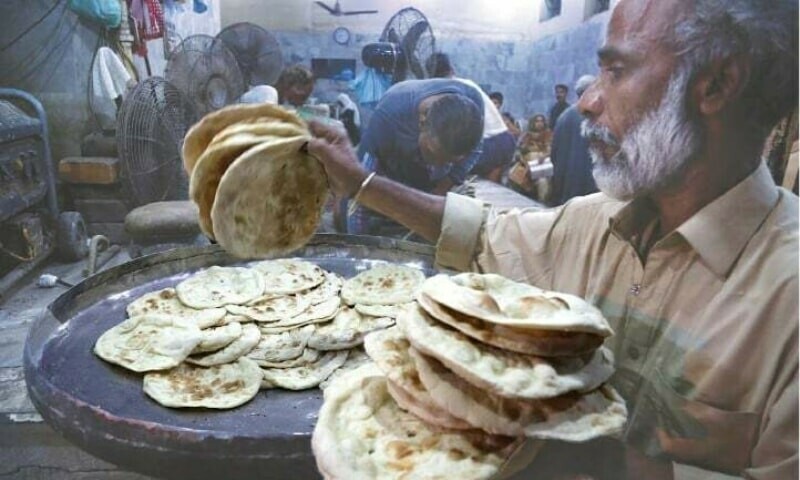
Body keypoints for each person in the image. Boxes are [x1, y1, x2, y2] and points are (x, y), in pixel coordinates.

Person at [307, 0, 798, 477]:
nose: (588, 101)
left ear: (716, 85)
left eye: (616, 71)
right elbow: (478, 234)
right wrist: (360, 183)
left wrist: (569, 449)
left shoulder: (786, 300)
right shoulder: (593, 222)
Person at [345, 77, 483, 236]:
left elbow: (476, 150)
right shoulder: (388, 117)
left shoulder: (472, 107)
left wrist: (447, 183)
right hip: (395, 162)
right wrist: (358, 241)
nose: (438, 165)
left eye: (449, 161)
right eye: (433, 155)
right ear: (422, 123)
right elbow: (360, 188)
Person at [426, 53, 516, 183]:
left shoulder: (446, 90)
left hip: (488, 145)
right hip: (506, 142)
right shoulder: (468, 83)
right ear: (452, 69)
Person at [549, 74, 598, 206]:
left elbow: (554, 152)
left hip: (565, 181)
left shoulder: (563, 117)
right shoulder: (594, 117)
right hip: (588, 184)